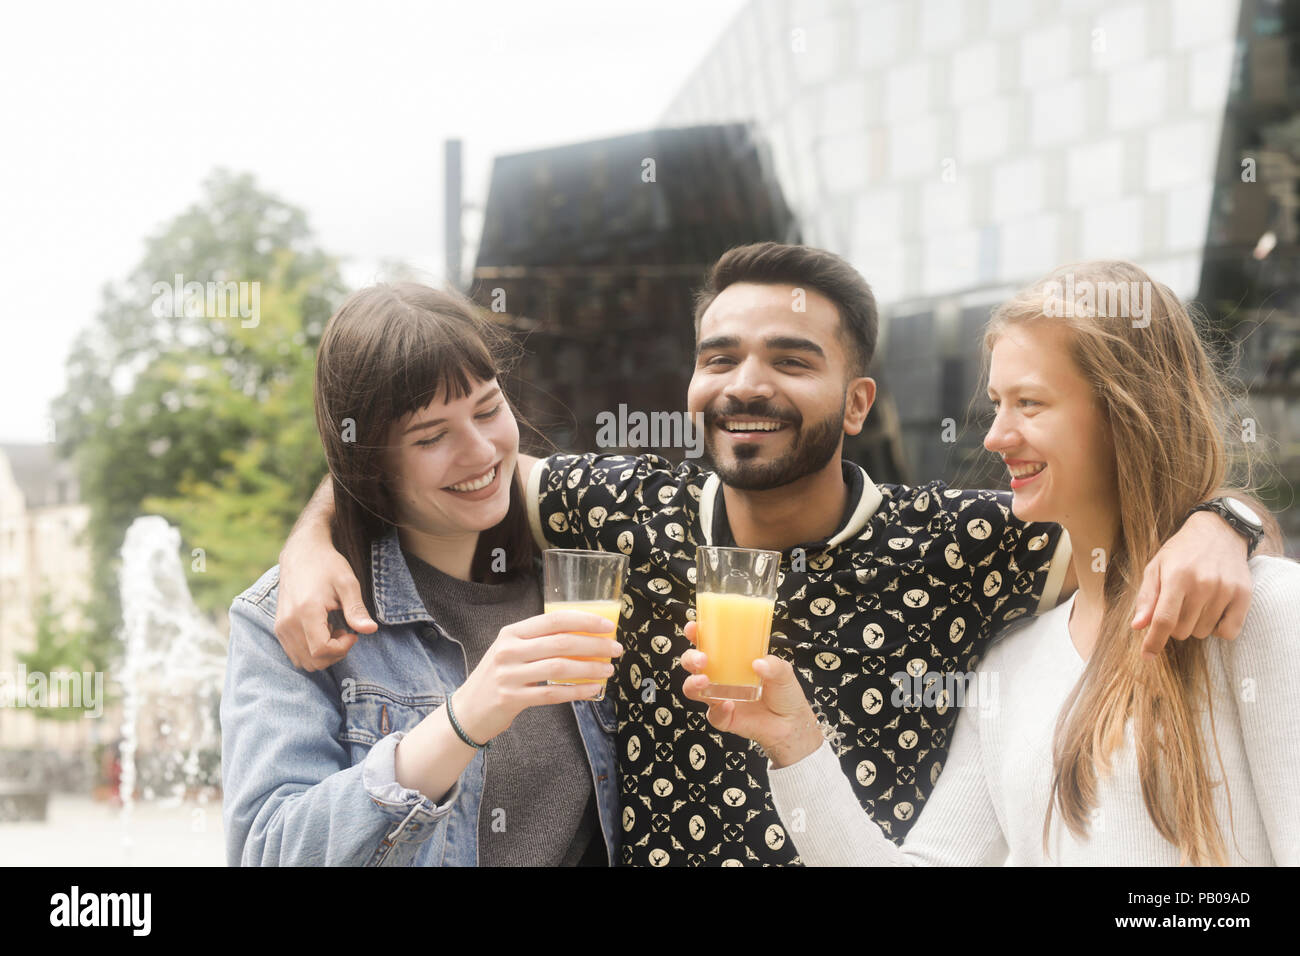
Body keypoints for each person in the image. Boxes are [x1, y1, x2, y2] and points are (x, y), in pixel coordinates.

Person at [273, 244, 1259, 866]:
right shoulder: (616, 508)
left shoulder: (968, 543)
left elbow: (1143, 510)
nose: (745, 382)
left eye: (790, 358)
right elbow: (431, 455)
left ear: (859, 402)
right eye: (718, 357)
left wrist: (1227, 517)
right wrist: (314, 534)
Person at [683, 260, 1298, 865]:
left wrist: (1225, 519)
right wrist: (794, 741)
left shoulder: (1262, 612)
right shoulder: (1011, 666)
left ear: (1129, 415)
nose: (995, 437)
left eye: (1030, 403)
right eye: (998, 403)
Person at [221, 283, 621, 866]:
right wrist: (462, 722)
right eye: (432, 436)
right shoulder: (293, 615)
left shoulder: (581, 573)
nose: (481, 450)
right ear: (370, 460)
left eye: (488, 409)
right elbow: (270, 850)